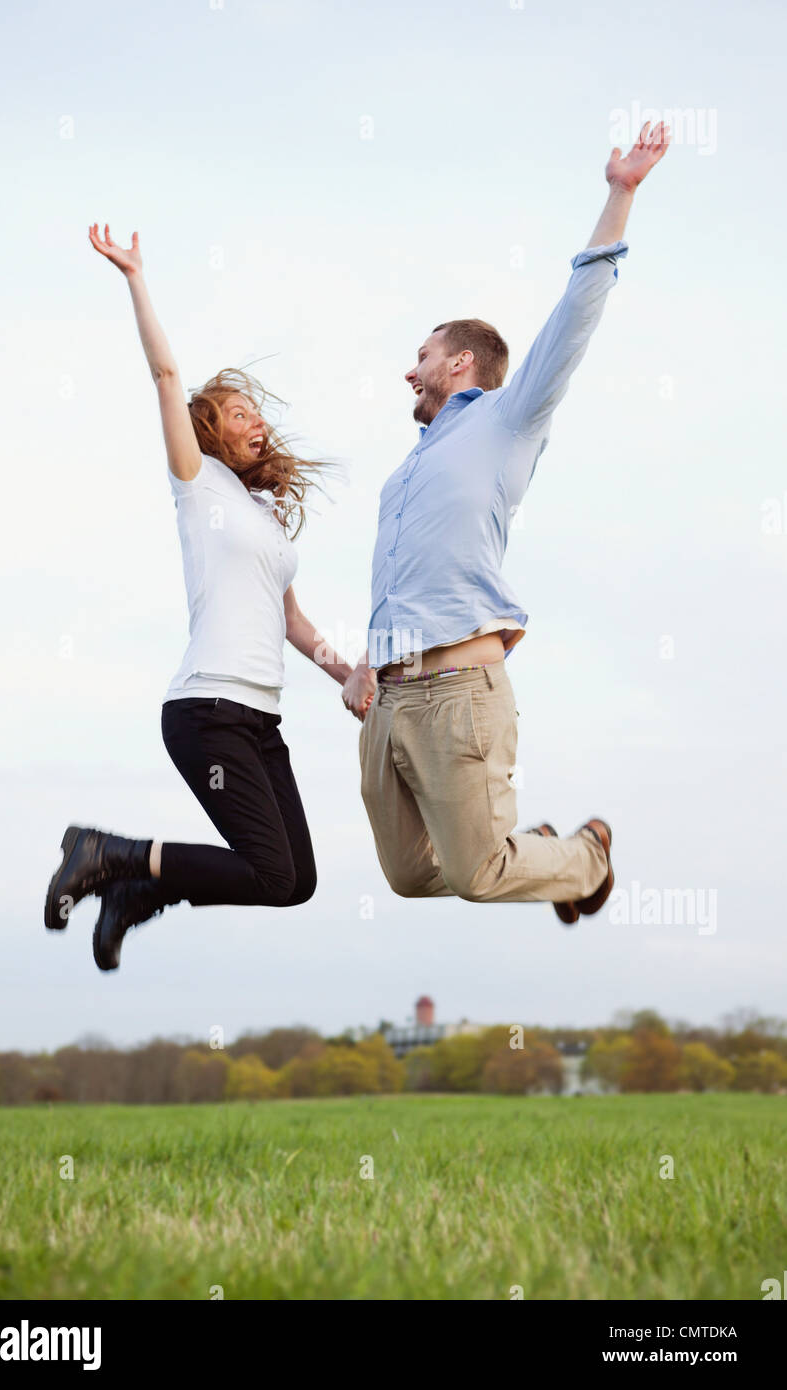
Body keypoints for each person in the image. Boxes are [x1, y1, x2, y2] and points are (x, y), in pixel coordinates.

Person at [341, 123, 671, 924]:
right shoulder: (407, 472)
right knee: (410, 878)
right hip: (389, 700)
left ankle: (583, 855)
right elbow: (409, 579)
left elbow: (575, 317)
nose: (405, 369)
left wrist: (619, 193)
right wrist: (363, 662)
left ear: (459, 362)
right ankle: (537, 844)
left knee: (481, 872)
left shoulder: (505, 421)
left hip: (459, 691)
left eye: (419, 354)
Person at [45, 224, 352, 970]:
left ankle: (137, 888)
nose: (256, 422)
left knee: (295, 883)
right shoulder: (197, 486)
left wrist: (346, 672)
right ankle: (109, 854)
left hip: (259, 719)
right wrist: (135, 278)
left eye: (257, 414)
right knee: (271, 871)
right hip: (206, 710)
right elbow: (164, 376)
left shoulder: (266, 517)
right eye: (238, 414)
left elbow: (290, 620)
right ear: (208, 433)